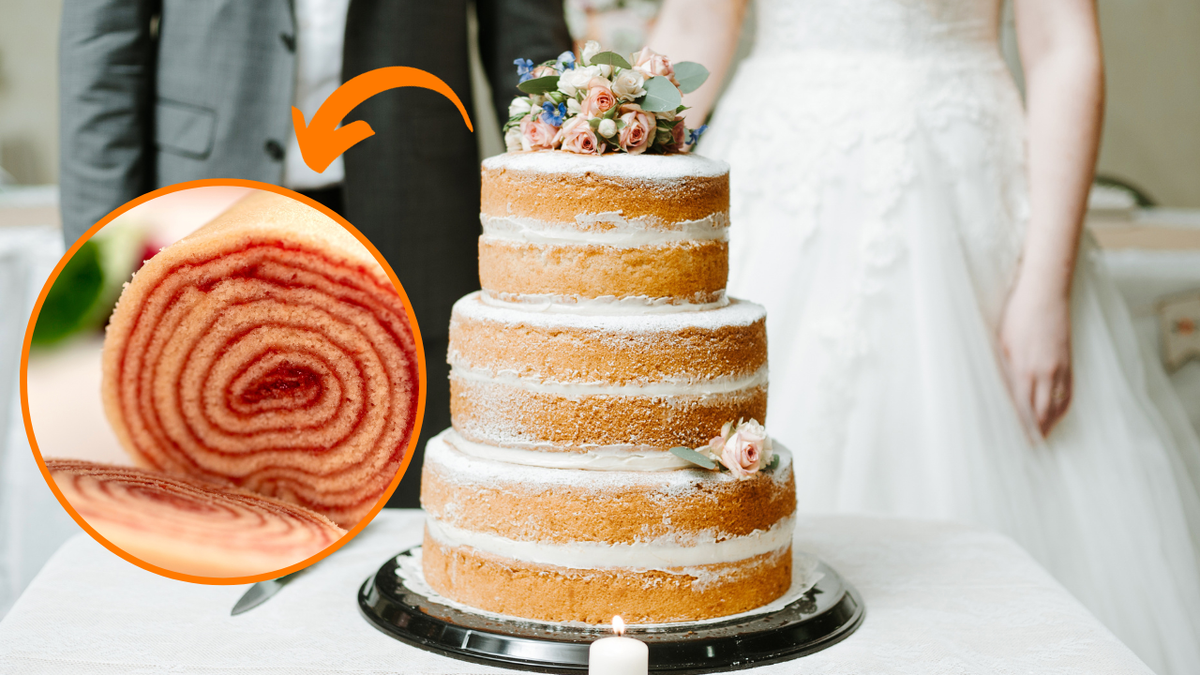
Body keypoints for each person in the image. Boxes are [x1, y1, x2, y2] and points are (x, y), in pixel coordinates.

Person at [649, 0, 1200, 671]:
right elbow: (692, 27)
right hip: (772, 183)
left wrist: (1045, 291)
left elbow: (1061, 45)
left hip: (956, 202)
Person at [58, 0, 573, 507]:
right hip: (208, 202)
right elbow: (101, 49)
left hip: (413, 210)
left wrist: (561, 241)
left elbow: (527, 44)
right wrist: (99, 255)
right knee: (213, 500)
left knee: (407, 498)